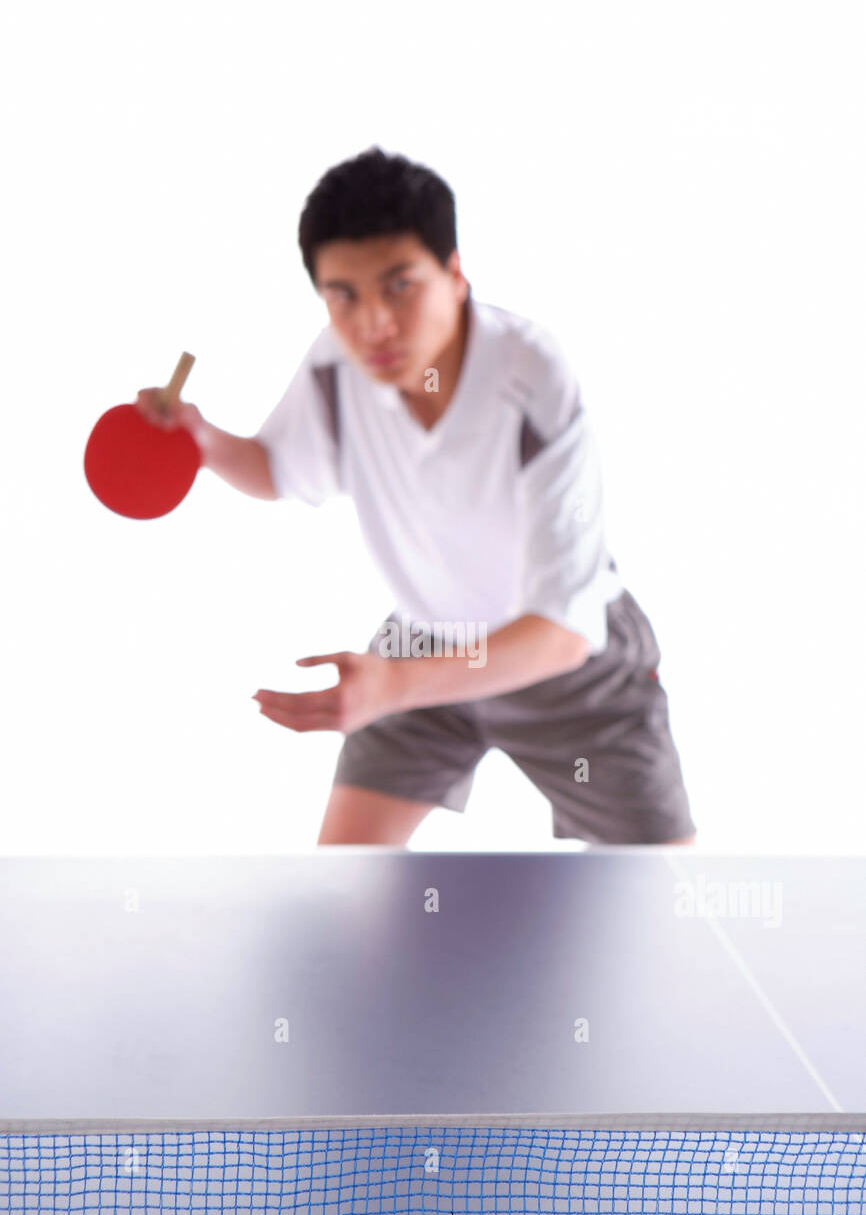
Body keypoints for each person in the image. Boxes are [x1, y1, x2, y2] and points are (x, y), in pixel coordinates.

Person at [137, 146, 696, 848]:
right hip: (421, 643)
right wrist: (203, 439)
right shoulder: (336, 366)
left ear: (455, 273)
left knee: (670, 910)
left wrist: (394, 686)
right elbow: (278, 469)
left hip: (566, 669)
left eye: (399, 285)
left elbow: (560, 633)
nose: (374, 323)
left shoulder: (533, 379)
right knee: (345, 885)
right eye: (343, 295)